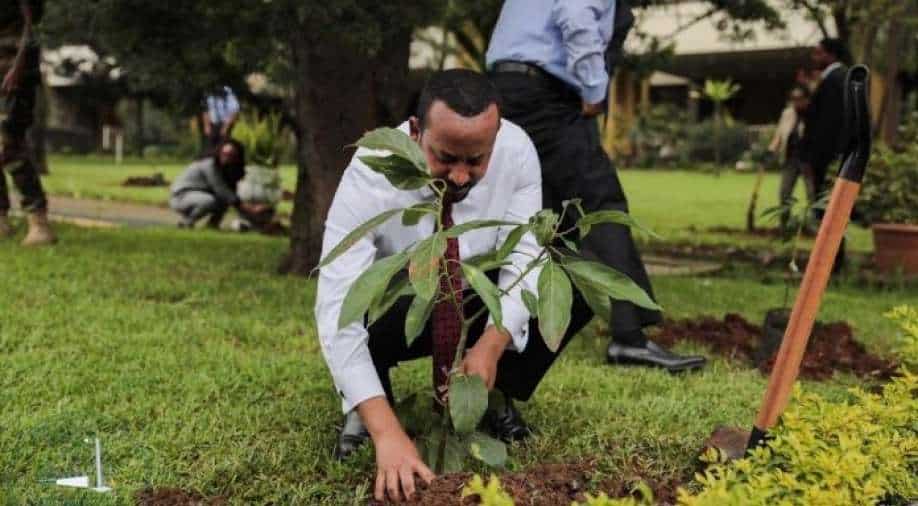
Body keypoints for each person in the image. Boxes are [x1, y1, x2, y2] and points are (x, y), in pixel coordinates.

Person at [316, 69, 595, 503]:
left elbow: (524, 256)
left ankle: (495, 391)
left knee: (566, 284)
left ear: (496, 135)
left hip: (477, 298)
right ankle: (363, 409)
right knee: (359, 315)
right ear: (415, 132)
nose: (461, 176)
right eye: (445, 157)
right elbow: (338, 308)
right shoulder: (373, 167)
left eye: (476, 160)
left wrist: (490, 346)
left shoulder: (517, 150)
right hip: (401, 305)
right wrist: (387, 434)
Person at [486, 0, 705, 372]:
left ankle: (518, 329)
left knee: (537, 214)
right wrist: (594, 89)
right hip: (545, 96)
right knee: (600, 205)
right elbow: (576, 16)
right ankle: (630, 337)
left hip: (506, 89)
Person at [0, 0, 55, 246]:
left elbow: (30, 23)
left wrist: (18, 66)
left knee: (8, 143)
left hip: (16, 67)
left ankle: (38, 221)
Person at [800, 38, 849, 271]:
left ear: (831, 55)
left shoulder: (833, 81)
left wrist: (813, 158)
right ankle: (831, 260)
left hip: (826, 157)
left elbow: (827, 124)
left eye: (818, 54)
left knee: (827, 209)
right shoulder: (839, 78)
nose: (814, 58)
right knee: (829, 209)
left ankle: (831, 262)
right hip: (832, 156)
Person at [169, 139, 266, 229]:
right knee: (210, 200)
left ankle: (213, 225)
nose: (226, 157)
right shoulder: (210, 165)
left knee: (225, 200)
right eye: (224, 154)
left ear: (237, 157)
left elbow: (232, 195)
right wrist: (248, 208)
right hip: (181, 196)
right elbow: (221, 190)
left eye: (231, 155)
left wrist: (253, 216)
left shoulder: (230, 170)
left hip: (199, 194)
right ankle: (187, 223)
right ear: (219, 152)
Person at [769, 84, 814, 229]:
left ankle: (813, 224)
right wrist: (771, 150)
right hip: (790, 159)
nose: (796, 102)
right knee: (784, 192)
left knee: (812, 194)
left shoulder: (814, 113)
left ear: (807, 99)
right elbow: (779, 135)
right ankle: (784, 223)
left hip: (808, 159)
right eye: (793, 98)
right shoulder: (787, 113)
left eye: (800, 98)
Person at [202, 85, 240, 153]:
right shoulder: (208, 93)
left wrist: (225, 127)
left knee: (223, 146)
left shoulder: (228, 93)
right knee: (210, 147)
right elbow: (205, 111)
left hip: (226, 123)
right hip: (213, 124)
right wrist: (206, 126)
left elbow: (234, 112)